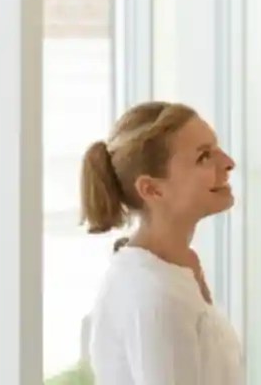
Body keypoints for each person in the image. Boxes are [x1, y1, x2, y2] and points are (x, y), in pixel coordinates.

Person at [80, 101, 244, 384]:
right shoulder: (154, 295)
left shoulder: (179, 267)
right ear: (152, 189)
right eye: (204, 156)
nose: (228, 162)